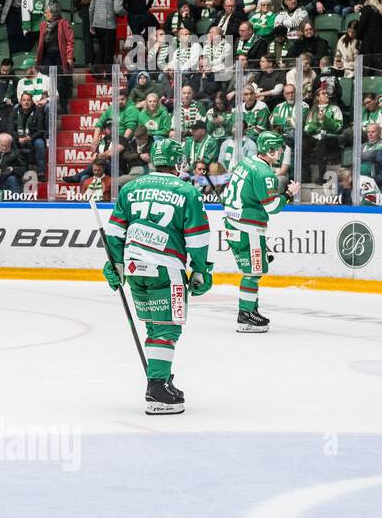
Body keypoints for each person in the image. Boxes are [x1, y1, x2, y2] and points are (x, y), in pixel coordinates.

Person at [101, 138, 213, 416]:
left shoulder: (131, 188)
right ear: (177, 163)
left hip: (135, 268)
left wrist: (114, 263)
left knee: (154, 325)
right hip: (166, 268)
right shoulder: (187, 191)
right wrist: (200, 270)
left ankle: (161, 375)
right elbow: (197, 236)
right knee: (167, 329)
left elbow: (115, 232)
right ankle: (157, 388)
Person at [221, 130, 300, 333]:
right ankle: (245, 317)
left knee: (253, 270)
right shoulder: (264, 173)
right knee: (253, 272)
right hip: (248, 229)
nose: (281, 151)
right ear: (270, 150)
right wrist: (288, 194)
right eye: (278, 148)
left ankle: (251, 310)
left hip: (233, 223)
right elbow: (272, 207)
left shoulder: (247, 162)